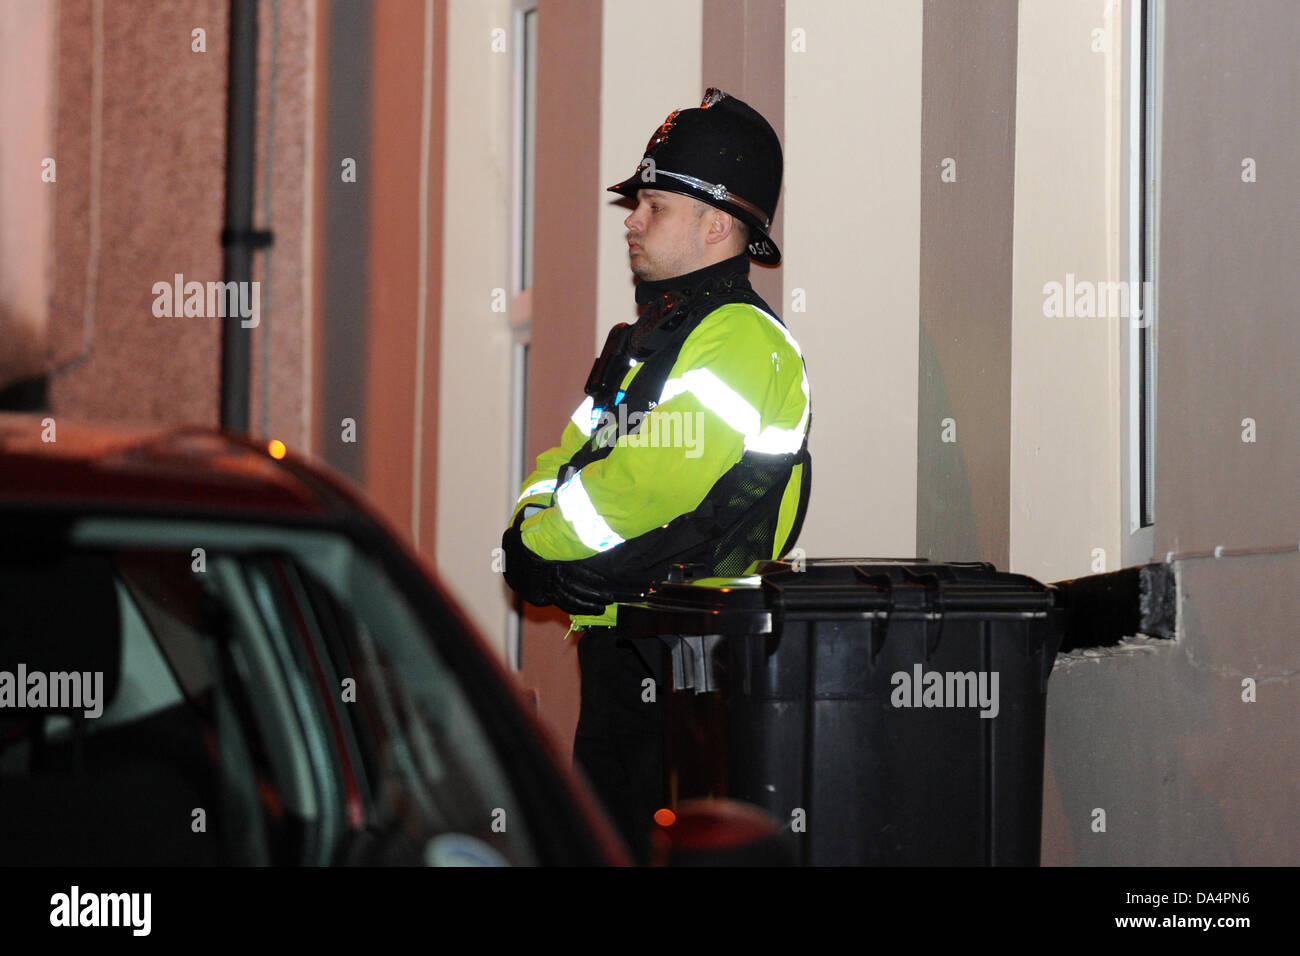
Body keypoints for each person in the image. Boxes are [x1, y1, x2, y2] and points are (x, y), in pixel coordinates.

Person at [501, 87, 811, 862]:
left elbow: (644, 486)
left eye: (654, 206)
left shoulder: (741, 340)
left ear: (717, 225)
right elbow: (567, 457)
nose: (632, 223)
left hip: (692, 670)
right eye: (635, 205)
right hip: (628, 650)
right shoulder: (647, 339)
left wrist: (539, 548)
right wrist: (532, 533)